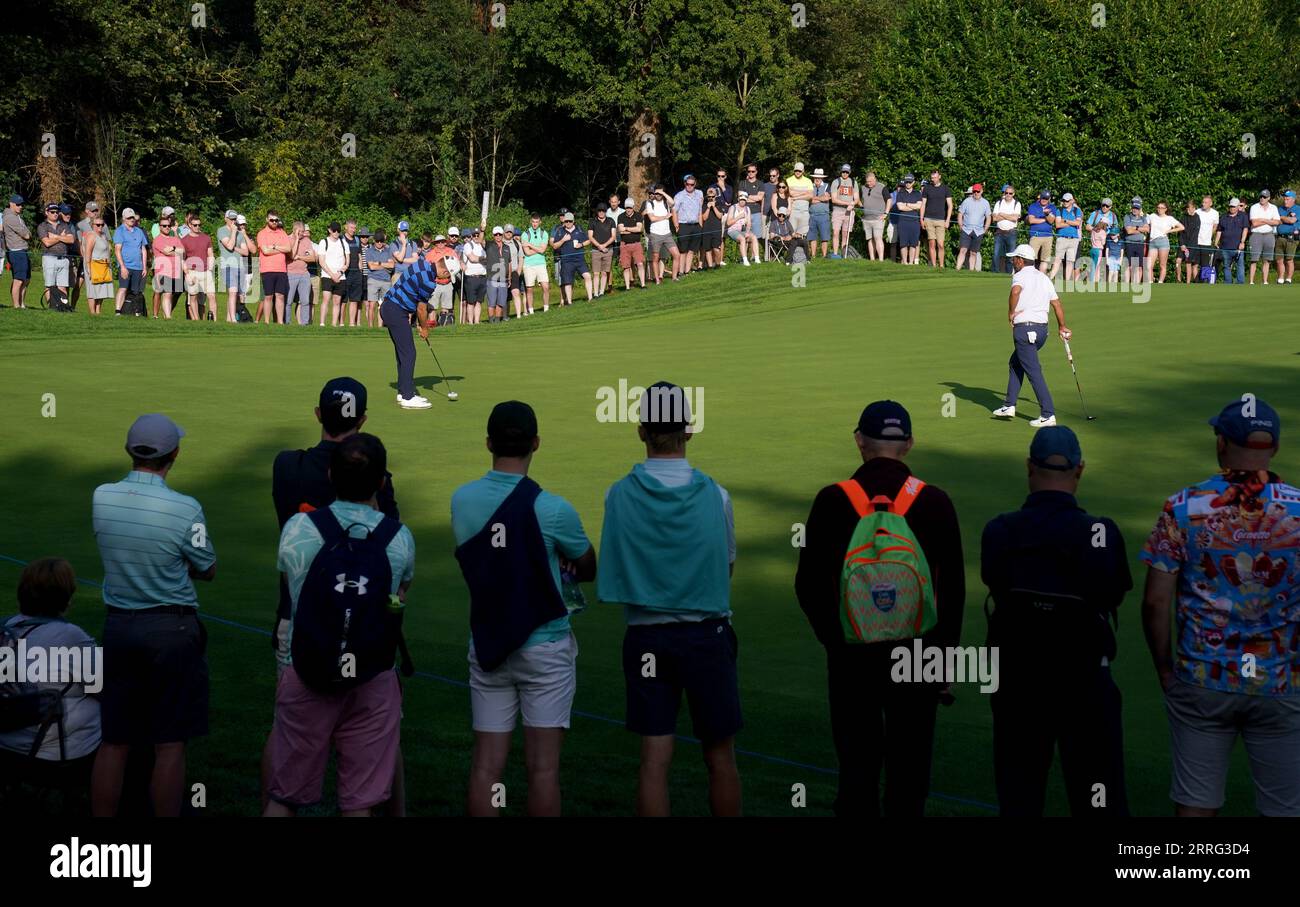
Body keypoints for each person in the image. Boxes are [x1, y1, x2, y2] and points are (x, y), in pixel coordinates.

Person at [794, 400, 964, 816]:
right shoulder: (935, 501)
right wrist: (942, 665)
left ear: (859, 441)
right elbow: (952, 593)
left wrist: (836, 641)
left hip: (853, 656)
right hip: (918, 657)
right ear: (908, 443)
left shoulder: (832, 500)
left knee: (857, 773)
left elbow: (808, 585)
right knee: (909, 778)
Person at [1140, 398, 1300, 817]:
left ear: (1221, 443)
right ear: (1275, 448)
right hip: (1281, 681)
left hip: (1202, 677)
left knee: (1195, 805)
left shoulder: (1183, 508)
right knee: (1285, 808)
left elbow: (1156, 600)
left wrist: (1164, 668)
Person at [598, 382, 740, 817]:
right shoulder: (717, 496)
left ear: (642, 431)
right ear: (689, 431)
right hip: (707, 637)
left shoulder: (617, 494)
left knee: (654, 762)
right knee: (720, 759)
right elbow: (726, 566)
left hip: (648, 640)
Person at [451, 401, 597, 816]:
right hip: (545, 648)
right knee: (543, 770)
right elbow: (587, 566)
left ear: (488, 443)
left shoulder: (462, 500)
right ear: (536, 443)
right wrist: (562, 559)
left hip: (489, 643)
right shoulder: (552, 508)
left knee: (486, 767)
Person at [982, 426, 1131, 816]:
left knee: (1019, 796)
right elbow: (1112, 592)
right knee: (1100, 798)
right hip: (1084, 683)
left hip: (1018, 682)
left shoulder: (1000, 530)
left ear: (1029, 467)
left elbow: (995, 583)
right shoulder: (1100, 532)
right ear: (1079, 470)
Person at [264, 433, 414, 818]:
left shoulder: (298, 528)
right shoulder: (399, 539)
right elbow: (399, 600)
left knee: (283, 798)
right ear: (381, 482)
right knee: (359, 804)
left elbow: (291, 585)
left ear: (331, 474)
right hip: (371, 674)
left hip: (307, 666)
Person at [91, 414, 215, 817]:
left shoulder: (102, 496)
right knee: (170, 741)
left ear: (130, 451)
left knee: (114, 740)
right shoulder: (185, 508)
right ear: (174, 454)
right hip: (171, 629)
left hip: (120, 625)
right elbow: (207, 567)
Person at [0, 558, 102, 789]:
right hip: (52, 755)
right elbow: (108, 690)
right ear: (66, 596)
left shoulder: (5, 628)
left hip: (5, 748)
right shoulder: (69, 636)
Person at [992, 245, 1071, 428]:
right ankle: (1009, 405)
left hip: (1024, 331)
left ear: (1021, 260)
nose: (1013, 261)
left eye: (1015, 258)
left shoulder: (1019, 276)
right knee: (1015, 363)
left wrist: (1011, 312)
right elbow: (1057, 305)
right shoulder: (1043, 278)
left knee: (1034, 372)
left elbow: (1015, 292)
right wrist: (1062, 326)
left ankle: (1048, 414)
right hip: (1042, 332)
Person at [37, 202, 76, 309]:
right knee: (49, 285)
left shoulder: (63, 225)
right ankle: (52, 306)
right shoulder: (42, 226)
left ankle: (62, 307)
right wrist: (61, 237)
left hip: (63, 259)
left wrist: (55, 236)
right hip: (49, 258)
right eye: (52, 212)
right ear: (46, 212)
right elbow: (47, 243)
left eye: (57, 212)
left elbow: (71, 239)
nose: (55, 214)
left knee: (63, 286)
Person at [112, 208, 151, 316]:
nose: (131, 219)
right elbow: (117, 250)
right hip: (126, 266)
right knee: (123, 288)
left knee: (136, 291)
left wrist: (144, 267)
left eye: (132, 217)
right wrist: (122, 267)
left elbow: (143, 249)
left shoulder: (139, 231)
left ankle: (135, 311)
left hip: (138, 267)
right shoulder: (120, 231)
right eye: (129, 218)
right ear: (124, 218)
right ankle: (118, 311)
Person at [255, 212, 291, 324]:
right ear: (267, 220)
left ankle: (280, 323)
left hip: (281, 270)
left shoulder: (283, 233)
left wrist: (274, 246)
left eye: (276, 220)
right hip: (267, 269)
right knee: (268, 296)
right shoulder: (262, 233)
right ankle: (266, 322)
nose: (274, 222)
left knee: (280, 296)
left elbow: (288, 249)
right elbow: (265, 251)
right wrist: (280, 249)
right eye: (272, 220)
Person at [181, 212, 214, 321]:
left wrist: (210, 269)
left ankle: (213, 322)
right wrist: (186, 273)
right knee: (193, 297)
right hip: (192, 271)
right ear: (190, 225)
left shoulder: (206, 238)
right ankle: (196, 321)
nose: (197, 227)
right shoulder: (184, 240)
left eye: (199, 225)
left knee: (209, 297)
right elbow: (182, 259)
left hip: (205, 271)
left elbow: (210, 254)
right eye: (195, 225)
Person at [151, 214, 185, 319]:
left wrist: (173, 248)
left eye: (168, 226)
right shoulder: (157, 239)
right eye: (164, 226)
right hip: (163, 270)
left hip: (175, 271)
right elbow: (166, 252)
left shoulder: (174, 239)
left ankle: (165, 316)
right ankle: (166, 316)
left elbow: (183, 252)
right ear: (160, 227)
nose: (167, 228)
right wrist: (176, 251)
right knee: (166, 293)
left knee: (168, 294)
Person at [314, 222, 348, 327]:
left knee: (337, 301)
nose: (336, 232)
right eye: (334, 230)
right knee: (326, 299)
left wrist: (339, 273)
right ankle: (322, 323)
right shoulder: (324, 242)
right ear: (329, 230)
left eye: (338, 230)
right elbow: (322, 261)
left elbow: (347, 262)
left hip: (340, 277)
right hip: (327, 275)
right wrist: (332, 274)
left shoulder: (343, 243)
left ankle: (334, 325)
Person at [81, 212, 115, 315]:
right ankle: (92, 312)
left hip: (104, 265)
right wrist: (88, 268)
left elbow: (109, 249)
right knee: (93, 289)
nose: (100, 226)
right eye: (98, 225)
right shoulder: (91, 235)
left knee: (102, 288)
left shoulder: (104, 235)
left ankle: (98, 310)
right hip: (93, 265)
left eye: (102, 224)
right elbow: (87, 253)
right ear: (92, 225)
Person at [216, 211, 247, 322]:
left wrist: (235, 247)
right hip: (228, 265)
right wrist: (233, 232)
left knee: (237, 293)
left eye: (234, 219)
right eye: (231, 219)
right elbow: (229, 246)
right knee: (233, 291)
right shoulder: (221, 230)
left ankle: (229, 319)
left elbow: (246, 252)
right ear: (226, 218)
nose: (233, 221)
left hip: (240, 266)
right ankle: (233, 319)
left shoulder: (239, 233)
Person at [672, 175, 704, 276]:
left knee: (692, 250)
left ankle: (687, 271)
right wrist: (676, 225)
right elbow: (674, 211)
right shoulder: (679, 196)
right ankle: (681, 272)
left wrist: (700, 225)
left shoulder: (699, 194)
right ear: (685, 183)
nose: (689, 186)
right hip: (683, 225)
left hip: (696, 225)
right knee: (683, 250)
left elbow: (700, 211)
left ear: (695, 184)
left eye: (692, 184)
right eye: (687, 184)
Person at [954, 183, 991, 272]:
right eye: (974, 191)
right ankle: (957, 269)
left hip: (978, 231)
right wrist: (960, 225)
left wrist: (985, 229)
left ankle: (971, 271)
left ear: (981, 191)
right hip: (966, 230)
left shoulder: (985, 203)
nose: (976, 193)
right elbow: (960, 214)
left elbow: (988, 217)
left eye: (978, 191)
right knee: (963, 250)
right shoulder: (966, 201)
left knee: (973, 253)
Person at [4, 194, 32, 308]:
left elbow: (28, 233)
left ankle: (21, 304)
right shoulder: (10, 217)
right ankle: (16, 305)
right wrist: (26, 233)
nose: (20, 207)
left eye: (21, 205)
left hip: (22, 250)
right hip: (16, 251)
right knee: (19, 279)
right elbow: (26, 235)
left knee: (26, 279)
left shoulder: (17, 216)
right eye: (18, 204)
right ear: (11, 204)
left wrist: (27, 233)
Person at [519, 214, 551, 313]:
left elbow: (543, 250)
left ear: (540, 222)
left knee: (545, 286)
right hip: (529, 265)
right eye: (533, 222)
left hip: (541, 263)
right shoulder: (525, 234)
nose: (535, 224)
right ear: (530, 221)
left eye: (537, 222)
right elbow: (527, 253)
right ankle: (531, 311)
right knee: (529, 289)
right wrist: (539, 248)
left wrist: (529, 244)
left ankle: (546, 308)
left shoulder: (544, 233)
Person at [921, 169, 953, 268]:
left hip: (940, 220)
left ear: (939, 177)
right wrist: (921, 219)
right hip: (928, 219)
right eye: (932, 178)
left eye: (935, 177)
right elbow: (923, 204)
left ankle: (942, 265)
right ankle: (934, 266)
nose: (933, 179)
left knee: (940, 244)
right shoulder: (927, 188)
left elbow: (950, 205)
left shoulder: (945, 189)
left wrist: (947, 220)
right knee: (931, 244)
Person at [1145, 201, 1183, 284]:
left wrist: (1169, 231)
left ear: (1165, 209)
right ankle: (1151, 282)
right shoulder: (1152, 216)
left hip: (1163, 242)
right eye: (1158, 207)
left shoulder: (1169, 218)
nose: (1159, 209)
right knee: (1148, 266)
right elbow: (1145, 224)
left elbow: (1181, 227)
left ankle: (1160, 282)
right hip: (1152, 242)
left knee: (1162, 265)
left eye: (1161, 208)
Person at [1248, 189, 1280, 286]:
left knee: (1267, 259)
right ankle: (1251, 282)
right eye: (1261, 196)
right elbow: (1254, 223)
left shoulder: (1273, 208)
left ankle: (1265, 281)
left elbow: (1277, 222)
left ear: (1268, 198)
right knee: (1254, 259)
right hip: (1256, 235)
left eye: (1264, 197)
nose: (1262, 198)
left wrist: (1262, 219)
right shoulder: (1254, 207)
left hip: (1269, 235)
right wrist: (1269, 221)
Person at [74, 201, 103, 311]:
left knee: (98, 286)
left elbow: (106, 242)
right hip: (86, 260)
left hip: (99, 261)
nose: (95, 213)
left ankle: (97, 311)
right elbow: (80, 244)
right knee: (78, 284)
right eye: (92, 211)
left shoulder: (101, 224)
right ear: (87, 211)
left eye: (96, 210)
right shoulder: (81, 225)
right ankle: (72, 307)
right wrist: (85, 259)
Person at [285, 221, 315, 325]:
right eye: (300, 232)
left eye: (303, 231)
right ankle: (287, 323)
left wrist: (300, 257)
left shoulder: (307, 241)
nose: (302, 234)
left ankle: (305, 323)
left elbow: (312, 258)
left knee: (305, 301)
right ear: (295, 230)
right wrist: (297, 239)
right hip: (290, 273)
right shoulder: (288, 239)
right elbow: (292, 256)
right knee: (288, 301)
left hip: (304, 274)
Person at [363, 228, 394, 329]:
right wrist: (385, 265)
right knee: (372, 305)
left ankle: (381, 327)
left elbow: (392, 265)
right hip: (373, 280)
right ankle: (371, 328)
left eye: (381, 241)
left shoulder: (388, 250)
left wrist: (379, 263)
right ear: (374, 240)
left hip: (386, 280)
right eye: (377, 241)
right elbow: (371, 267)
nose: (379, 243)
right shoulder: (369, 251)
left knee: (384, 306)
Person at [1048, 192, 1083, 281]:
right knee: (1057, 260)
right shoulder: (1059, 210)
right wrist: (1072, 223)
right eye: (1064, 200)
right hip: (1062, 238)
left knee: (1070, 262)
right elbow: (1058, 225)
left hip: (1073, 239)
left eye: (1067, 200)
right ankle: (1050, 279)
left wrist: (1066, 221)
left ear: (1071, 201)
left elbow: (1078, 223)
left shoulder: (1077, 210)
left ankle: (1067, 281)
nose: (1065, 202)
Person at [424, 232, 459, 321]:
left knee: (446, 306)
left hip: (447, 282)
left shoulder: (451, 252)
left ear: (445, 242)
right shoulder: (430, 254)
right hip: (435, 283)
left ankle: (443, 323)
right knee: (432, 306)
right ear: (435, 243)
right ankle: (432, 323)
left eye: (442, 242)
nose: (440, 244)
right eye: (438, 242)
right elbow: (426, 267)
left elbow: (456, 263)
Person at [1215, 197, 1249, 285]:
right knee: (1226, 266)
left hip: (1238, 247)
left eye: (1234, 206)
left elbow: (1245, 229)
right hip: (1225, 246)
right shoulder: (1223, 216)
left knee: (1240, 266)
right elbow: (1219, 230)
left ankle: (1240, 284)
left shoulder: (1243, 216)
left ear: (1238, 207)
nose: (1232, 208)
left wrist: (1242, 242)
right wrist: (1216, 242)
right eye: (1231, 206)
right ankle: (1228, 284)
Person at [484, 225, 513, 322]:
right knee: (491, 302)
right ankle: (491, 319)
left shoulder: (507, 247)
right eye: (496, 234)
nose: (498, 236)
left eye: (500, 234)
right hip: (492, 278)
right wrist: (482, 230)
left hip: (503, 279)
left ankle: (497, 319)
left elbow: (509, 263)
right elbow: (480, 240)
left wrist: (509, 278)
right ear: (493, 235)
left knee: (501, 302)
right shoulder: (489, 245)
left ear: (502, 235)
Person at [828, 164, 857, 258]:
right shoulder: (836, 182)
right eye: (843, 171)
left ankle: (843, 254)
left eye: (847, 172)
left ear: (849, 172)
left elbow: (856, 198)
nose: (845, 173)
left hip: (849, 212)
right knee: (836, 232)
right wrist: (847, 204)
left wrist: (852, 204)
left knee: (845, 233)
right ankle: (835, 254)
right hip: (837, 210)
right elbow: (834, 199)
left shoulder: (853, 182)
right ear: (841, 171)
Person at [991, 184, 1022, 274]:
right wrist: (1009, 216)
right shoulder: (999, 203)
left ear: (1013, 194)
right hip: (999, 232)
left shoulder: (1017, 204)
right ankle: (995, 272)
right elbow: (995, 218)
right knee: (996, 254)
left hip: (1011, 232)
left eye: (1010, 193)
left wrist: (1002, 214)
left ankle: (1008, 274)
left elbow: (1014, 218)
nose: (1008, 195)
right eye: (1006, 193)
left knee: (1010, 255)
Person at [617, 198, 647, 288]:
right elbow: (620, 231)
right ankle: (627, 287)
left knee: (640, 264)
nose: (628, 210)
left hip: (636, 243)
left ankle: (643, 284)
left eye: (630, 207)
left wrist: (626, 228)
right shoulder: (621, 216)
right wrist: (633, 229)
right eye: (627, 208)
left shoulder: (638, 216)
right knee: (626, 267)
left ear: (633, 207)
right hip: (624, 244)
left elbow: (639, 229)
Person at [893, 174, 923, 265]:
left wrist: (907, 204)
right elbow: (900, 207)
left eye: (910, 182)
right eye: (906, 182)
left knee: (913, 244)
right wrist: (913, 206)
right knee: (903, 243)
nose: (908, 184)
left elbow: (919, 206)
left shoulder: (917, 193)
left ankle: (911, 263)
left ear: (913, 182)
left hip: (914, 222)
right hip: (903, 221)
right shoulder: (900, 193)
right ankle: (905, 263)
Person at [737, 164, 766, 258]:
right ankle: (744, 258)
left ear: (756, 172)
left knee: (756, 236)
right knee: (744, 236)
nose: (751, 173)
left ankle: (754, 257)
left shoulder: (760, 183)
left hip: (756, 212)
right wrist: (753, 198)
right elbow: (740, 198)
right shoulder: (742, 183)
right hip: (744, 213)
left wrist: (747, 195)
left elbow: (760, 197)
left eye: (753, 171)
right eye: (749, 171)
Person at [1085, 199, 1117, 284]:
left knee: (1108, 263)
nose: (1104, 207)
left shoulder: (1113, 216)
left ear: (1110, 207)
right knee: (1096, 263)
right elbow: (1087, 226)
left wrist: (1115, 235)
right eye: (1103, 205)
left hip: (1109, 241)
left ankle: (1104, 281)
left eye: (1107, 206)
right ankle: (1094, 280)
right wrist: (1095, 229)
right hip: (1098, 242)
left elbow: (1115, 229)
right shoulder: (1095, 214)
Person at [860, 171, 889, 260]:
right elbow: (857, 198)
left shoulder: (882, 187)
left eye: (871, 181)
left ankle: (880, 260)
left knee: (878, 238)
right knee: (870, 239)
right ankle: (872, 259)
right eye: (867, 182)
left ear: (875, 179)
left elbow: (889, 200)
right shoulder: (863, 188)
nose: (869, 184)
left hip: (878, 218)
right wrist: (862, 206)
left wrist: (885, 213)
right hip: (866, 219)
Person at [461, 226, 488, 323]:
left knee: (479, 302)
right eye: (474, 235)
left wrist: (481, 259)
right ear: (471, 236)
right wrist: (483, 259)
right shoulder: (468, 245)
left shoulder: (483, 245)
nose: (476, 236)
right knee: (471, 302)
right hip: (471, 278)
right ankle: (471, 322)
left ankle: (476, 322)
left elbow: (489, 258)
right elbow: (472, 258)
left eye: (478, 235)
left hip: (482, 276)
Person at [340, 220, 365, 327]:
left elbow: (359, 255)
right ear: (346, 227)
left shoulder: (357, 239)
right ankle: (341, 323)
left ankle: (351, 324)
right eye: (351, 228)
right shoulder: (341, 239)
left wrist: (361, 268)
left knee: (354, 300)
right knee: (343, 300)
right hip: (345, 273)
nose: (353, 230)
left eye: (354, 228)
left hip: (356, 273)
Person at [588, 204, 616, 296]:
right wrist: (599, 246)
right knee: (596, 273)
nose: (601, 212)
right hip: (596, 250)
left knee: (604, 272)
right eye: (599, 211)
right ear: (597, 212)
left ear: (605, 211)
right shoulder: (592, 221)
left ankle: (601, 292)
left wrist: (604, 245)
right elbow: (590, 237)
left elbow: (613, 236)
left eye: (603, 211)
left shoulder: (611, 221)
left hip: (608, 250)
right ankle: (595, 293)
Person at [1025, 190, 1056, 272]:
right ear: (1040, 197)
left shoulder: (1052, 207)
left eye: (1046, 198)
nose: (1044, 200)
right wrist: (1045, 219)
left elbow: (1051, 221)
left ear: (1049, 199)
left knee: (1045, 260)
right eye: (1043, 198)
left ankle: (1041, 278)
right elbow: (1031, 220)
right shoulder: (1033, 206)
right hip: (1035, 236)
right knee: (1031, 258)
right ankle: (1030, 276)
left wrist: (1047, 215)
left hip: (1048, 237)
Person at [1191, 195, 1220, 281]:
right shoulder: (1197, 212)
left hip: (1207, 243)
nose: (1203, 204)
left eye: (1205, 202)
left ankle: (1204, 283)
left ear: (1210, 203)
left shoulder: (1215, 213)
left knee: (1205, 265)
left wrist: (1210, 236)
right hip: (1196, 242)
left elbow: (1215, 226)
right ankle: (1196, 283)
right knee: (1195, 264)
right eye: (1203, 202)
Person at [59, 204, 82, 309]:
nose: (68, 215)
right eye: (65, 213)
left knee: (69, 283)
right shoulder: (57, 224)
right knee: (61, 283)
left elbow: (74, 241)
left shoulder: (72, 225)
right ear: (60, 213)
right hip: (61, 256)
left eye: (69, 213)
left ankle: (67, 305)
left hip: (72, 257)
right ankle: (60, 304)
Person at [1122, 197, 1149, 285]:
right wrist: (1140, 229)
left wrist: (1135, 228)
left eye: (1137, 208)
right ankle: (1128, 283)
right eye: (1133, 208)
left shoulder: (1143, 218)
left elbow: (1147, 229)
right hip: (1130, 243)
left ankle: (1136, 284)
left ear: (1140, 209)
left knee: (1139, 266)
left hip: (1140, 244)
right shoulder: (1127, 217)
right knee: (1129, 265)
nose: (1135, 210)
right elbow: (1128, 231)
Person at [806, 169, 832, 258]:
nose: (817, 179)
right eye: (816, 177)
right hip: (812, 215)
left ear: (822, 178)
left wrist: (814, 198)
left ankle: (824, 256)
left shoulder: (827, 186)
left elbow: (827, 198)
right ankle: (813, 255)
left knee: (824, 237)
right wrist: (821, 198)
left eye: (819, 177)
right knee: (812, 237)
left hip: (824, 215)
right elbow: (809, 200)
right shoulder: (810, 186)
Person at [724, 192, 755, 266]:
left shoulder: (747, 209)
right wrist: (739, 217)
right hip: (733, 230)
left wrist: (747, 232)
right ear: (738, 199)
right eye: (741, 200)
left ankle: (755, 258)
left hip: (743, 230)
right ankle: (745, 260)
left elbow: (749, 223)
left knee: (753, 237)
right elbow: (728, 223)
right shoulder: (733, 208)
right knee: (742, 239)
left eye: (744, 200)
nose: (742, 201)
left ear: (746, 201)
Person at [785, 162, 814, 239]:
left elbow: (811, 196)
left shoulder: (808, 181)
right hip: (793, 211)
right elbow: (791, 193)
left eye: (800, 171)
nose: (797, 172)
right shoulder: (789, 180)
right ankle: (792, 251)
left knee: (803, 235)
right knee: (791, 234)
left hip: (804, 211)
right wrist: (805, 192)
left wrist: (796, 197)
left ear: (803, 171)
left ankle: (801, 251)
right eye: (796, 170)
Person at [700, 187, 725, 269]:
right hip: (706, 229)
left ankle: (718, 264)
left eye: (712, 197)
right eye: (709, 197)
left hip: (716, 229)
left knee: (716, 248)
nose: (711, 198)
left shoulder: (719, 204)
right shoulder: (704, 205)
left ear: (715, 196)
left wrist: (714, 207)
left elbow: (720, 216)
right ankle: (710, 266)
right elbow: (704, 218)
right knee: (707, 249)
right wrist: (708, 207)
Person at [504, 225, 526, 316]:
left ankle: (518, 315)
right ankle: (506, 316)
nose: (509, 233)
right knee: (505, 296)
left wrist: (518, 271)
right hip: (502, 273)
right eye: (507, 232)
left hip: (514, 271)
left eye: (510, 232)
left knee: (516, 292)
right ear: (504, 232)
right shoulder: (500, 242)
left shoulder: (517, 244)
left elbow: (521, 258)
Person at [1276, 190, 1297, 284]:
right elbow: (1277, 221)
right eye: (1284, 199)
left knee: (1289, 259)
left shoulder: (1298, 209)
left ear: (1293, 200)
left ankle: (1288, 279)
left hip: (1291, 238)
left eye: (1287, 199)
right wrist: (1285, 218)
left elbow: (1292, 221)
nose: (1285, 201)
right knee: (1279, 259)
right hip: (1280, 237)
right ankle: (1280, 278)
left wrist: (1282, 217)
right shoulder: (1280, 209)